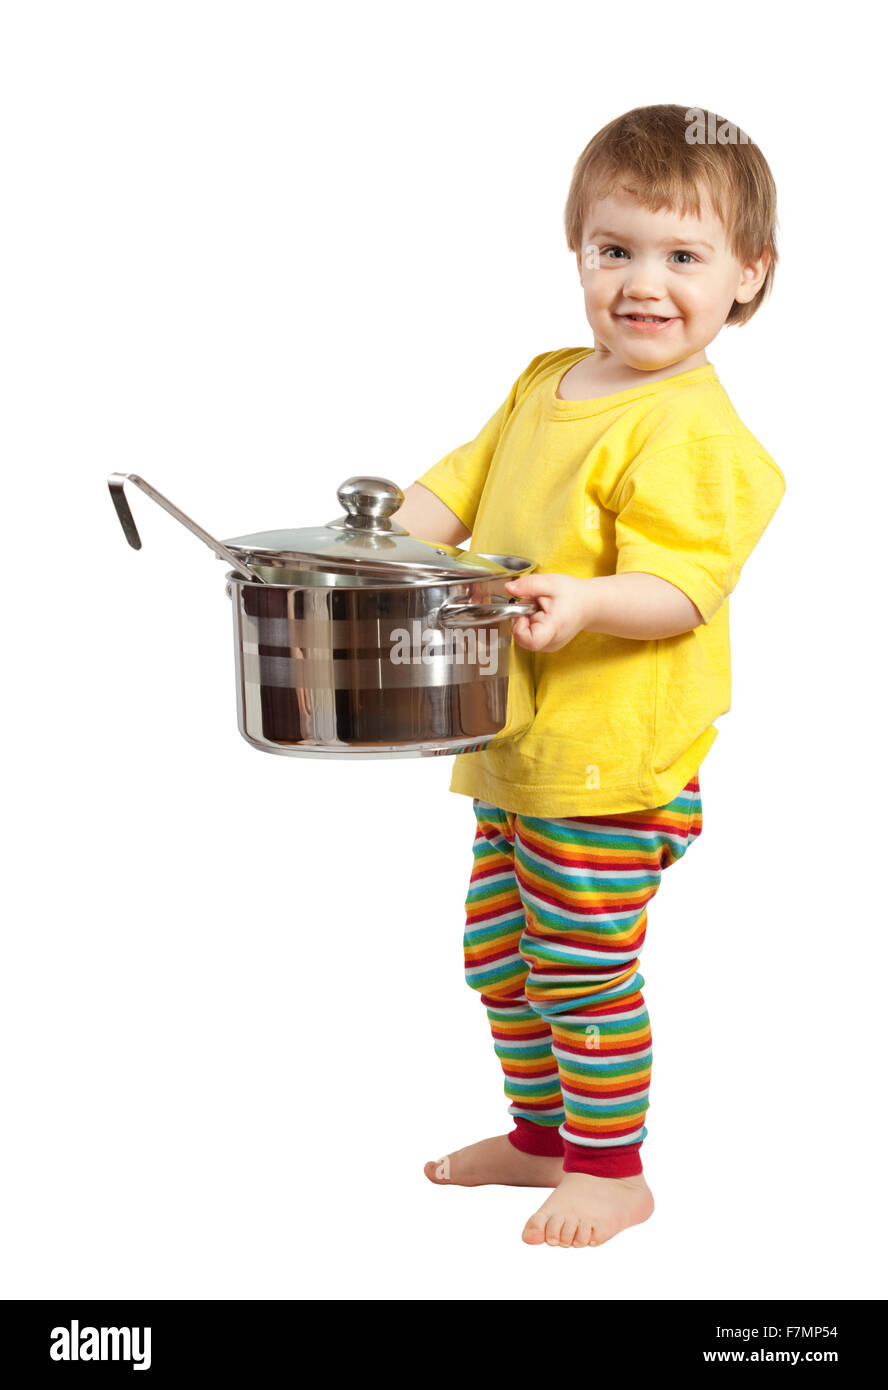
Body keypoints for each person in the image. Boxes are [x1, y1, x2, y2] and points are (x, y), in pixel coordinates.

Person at [391, 104, 785, 1248]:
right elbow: (458, 484)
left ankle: (612, 1170)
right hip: (519, 747)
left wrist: (588, 599)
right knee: (499, 961)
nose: (643, 283)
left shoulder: (694, 434)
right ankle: (542, 1133)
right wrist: (371, 541)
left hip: (614, 764)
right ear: (578, 254)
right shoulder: (550, 378)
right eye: (615, 250)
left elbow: (685, 587)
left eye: (683, 255)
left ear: (748, 277)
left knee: (580, 969)